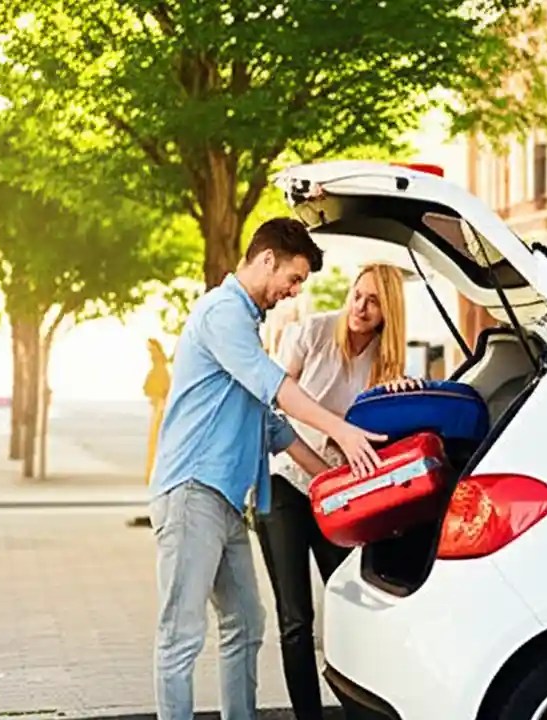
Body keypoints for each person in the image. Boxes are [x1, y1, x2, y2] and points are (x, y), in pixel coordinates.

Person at [148, 218, 385, 720]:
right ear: (267, 260)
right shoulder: (222, 313)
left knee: (245, 625)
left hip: (229, 500)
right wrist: (341, 431)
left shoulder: (246, 324)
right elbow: (275, 387)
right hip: (192, 490)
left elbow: (272, 427)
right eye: (293, 279)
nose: (293, 292)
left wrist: (331, 483)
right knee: (181, 636)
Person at [259, 263, 412, 720]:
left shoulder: (388, 365)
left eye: (373, 301)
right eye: (356, 295)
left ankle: (362, 709)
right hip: (284, 481)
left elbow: (385, 439)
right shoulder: (311, 333)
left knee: (354, 608)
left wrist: (398, 398)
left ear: (389, 313)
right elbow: (275, 400)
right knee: (295, 620)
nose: (360, 308)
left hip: (338, 498)